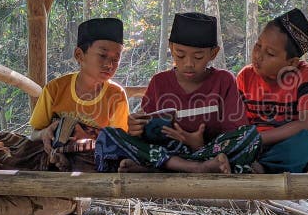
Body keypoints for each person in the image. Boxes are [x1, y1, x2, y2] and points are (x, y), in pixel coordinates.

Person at [95, 12, 260, 173]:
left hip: (209, 152)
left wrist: (197, 144)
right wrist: (135, 129)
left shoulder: (223, 80)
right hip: (168, 152)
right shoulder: (159, 82)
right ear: (171, 48)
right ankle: (194, 167)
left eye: (198, 57)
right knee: (108, 135)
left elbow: (236, 132)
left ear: (213, 53)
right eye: (180, 55)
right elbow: (146, 133)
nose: (188, 63)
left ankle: (158, 167)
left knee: (250, 136)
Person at [0, 17, 128, 171]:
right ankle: (54, 161)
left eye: (116, 58)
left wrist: (87, 138)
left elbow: (119, 145)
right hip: (45, 151)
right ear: (79, 55)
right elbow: (34, 135)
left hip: (88, 157)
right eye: (103, 55)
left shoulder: (116, 95)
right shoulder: (55, 88)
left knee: (96, 158)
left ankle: (60, 162)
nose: (109, 64)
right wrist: (45, 134)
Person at [237, 8, 308, 173]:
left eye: (270, 53)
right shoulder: (245, 76)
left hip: (299, 152)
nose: (258, 55)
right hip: (258, 151)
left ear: (292, 62)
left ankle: (263, 169)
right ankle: (259, 167)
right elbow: (240, 124)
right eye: (258, 45)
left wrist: (259, 139)